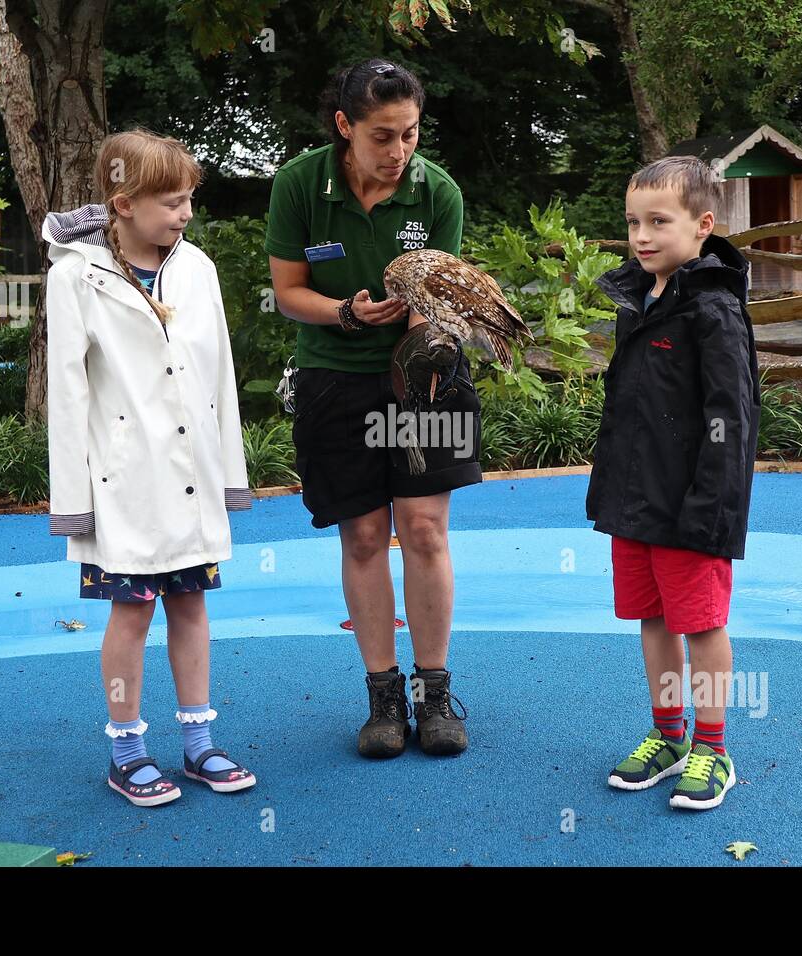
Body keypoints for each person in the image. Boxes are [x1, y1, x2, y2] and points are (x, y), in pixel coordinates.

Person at [264, 59, 479, 758]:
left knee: (423, 530)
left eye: (410, 135)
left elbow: (435, 300)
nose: (398, 152)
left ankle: (433, 693)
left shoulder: (436, 191)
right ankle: (384, 698)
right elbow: (290, 289)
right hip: (334, 375)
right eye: (382, 136)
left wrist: (422, 350)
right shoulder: (300, 185)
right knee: (361, 537)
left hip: (421, 376)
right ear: (343, 126)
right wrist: (347, 314)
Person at [44, 128, 256, 806]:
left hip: (191, 476)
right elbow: (68, 392)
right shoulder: (75, 274)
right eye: (169, 201)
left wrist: (231, 474)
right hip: (123, 485)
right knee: (131, 612)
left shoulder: (196, 268)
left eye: (189, 199)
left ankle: (199, 744)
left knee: (191, 604)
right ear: (123, 201)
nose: (184, 214)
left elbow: (218, 371)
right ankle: (126, 749)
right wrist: (73, 500)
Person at [585, 155, 761, 810]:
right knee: (652, 620)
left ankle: (713, 747)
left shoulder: (714, 311)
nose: (642, 236)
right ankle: (668, 735)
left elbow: (732, 418)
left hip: (693, 507)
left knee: (701, 625)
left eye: (659, 221)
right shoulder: (640, 297)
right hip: (635, 502)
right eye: (633, 222)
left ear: (702, 225)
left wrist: (711, 508)